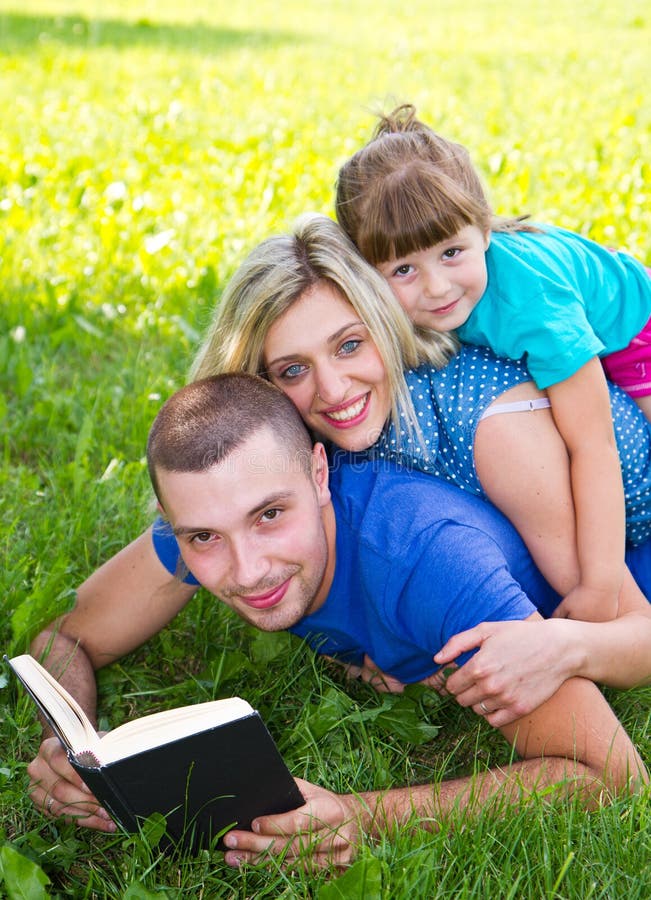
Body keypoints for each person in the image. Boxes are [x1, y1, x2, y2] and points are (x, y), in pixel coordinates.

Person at [28, 215, 651, 727]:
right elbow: (68, 636)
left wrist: (565, 649)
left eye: (350, 345)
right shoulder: (280, 458)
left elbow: (623, 623)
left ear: (388, 327)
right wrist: (68, 740)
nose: (333, 391)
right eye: (292, 370)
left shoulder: (488, 422)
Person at [27, 374, 648, 869]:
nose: (247, 571)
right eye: (203, 537)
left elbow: (611, 776)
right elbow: (62, 638)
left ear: (319, 475)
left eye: (270, 515)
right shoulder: (206, 516)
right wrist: (67, 743)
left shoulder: (424, 560)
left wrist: (361, 813)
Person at [335, 104, 651, 625]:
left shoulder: (534, 309)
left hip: (637, 329)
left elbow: (592, 445)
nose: (436, 287)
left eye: (452, 253)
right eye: (404, 268)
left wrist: (600, 584)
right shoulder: (407, 298)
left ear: (484, 230)